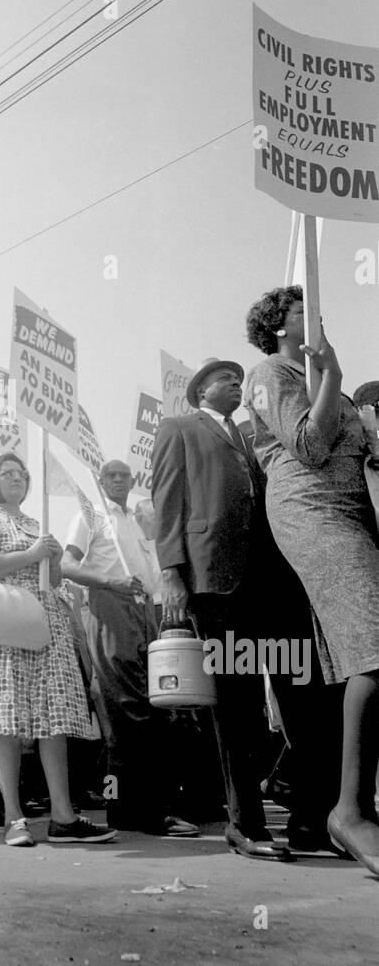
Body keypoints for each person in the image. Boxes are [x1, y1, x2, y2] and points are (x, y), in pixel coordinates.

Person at [244, 288, 379, 874]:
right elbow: (308, 443)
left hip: (356, 514)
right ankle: (349, 813)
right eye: (305, 310)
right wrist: (334, 374)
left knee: (363, 653)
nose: (317, 315)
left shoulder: (330, 384)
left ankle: (349, 807)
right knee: (373, 652)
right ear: (278, 327)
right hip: (313, 513)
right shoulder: (269, 371)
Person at [152, 359, 291, 862]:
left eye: (239, 378)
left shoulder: (252, 436)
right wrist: (171, 572)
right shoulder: (180, 428)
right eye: (225, 378)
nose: (237, 383)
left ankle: (301, 815)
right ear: (201, 390)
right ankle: (245, 823)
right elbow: (166, 500)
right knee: (234, 703)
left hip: (265, 579)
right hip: (214, 581)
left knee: (268, 703)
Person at [0, 451, 116, 848]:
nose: (16, 478)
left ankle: (63, 815)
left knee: (54, 715)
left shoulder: (33, 522)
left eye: (21, 473)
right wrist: (32, 555)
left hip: (46, 624)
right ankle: (13, 816)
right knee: (7, 718)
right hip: (4, 625)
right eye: (7, 473)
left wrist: (55, 568)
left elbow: (54, 573)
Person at [61, 461, 198, 838]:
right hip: (109, 605)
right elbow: (66, 564)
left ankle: (129, 809)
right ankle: (138, 810)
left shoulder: (133, 522)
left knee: (148, 710)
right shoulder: (90, 516)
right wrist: (110, 580)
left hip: (142, 609)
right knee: (127, 711)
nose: (119, 480)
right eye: (112, 476)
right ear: (100, 482)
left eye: (125, 475)